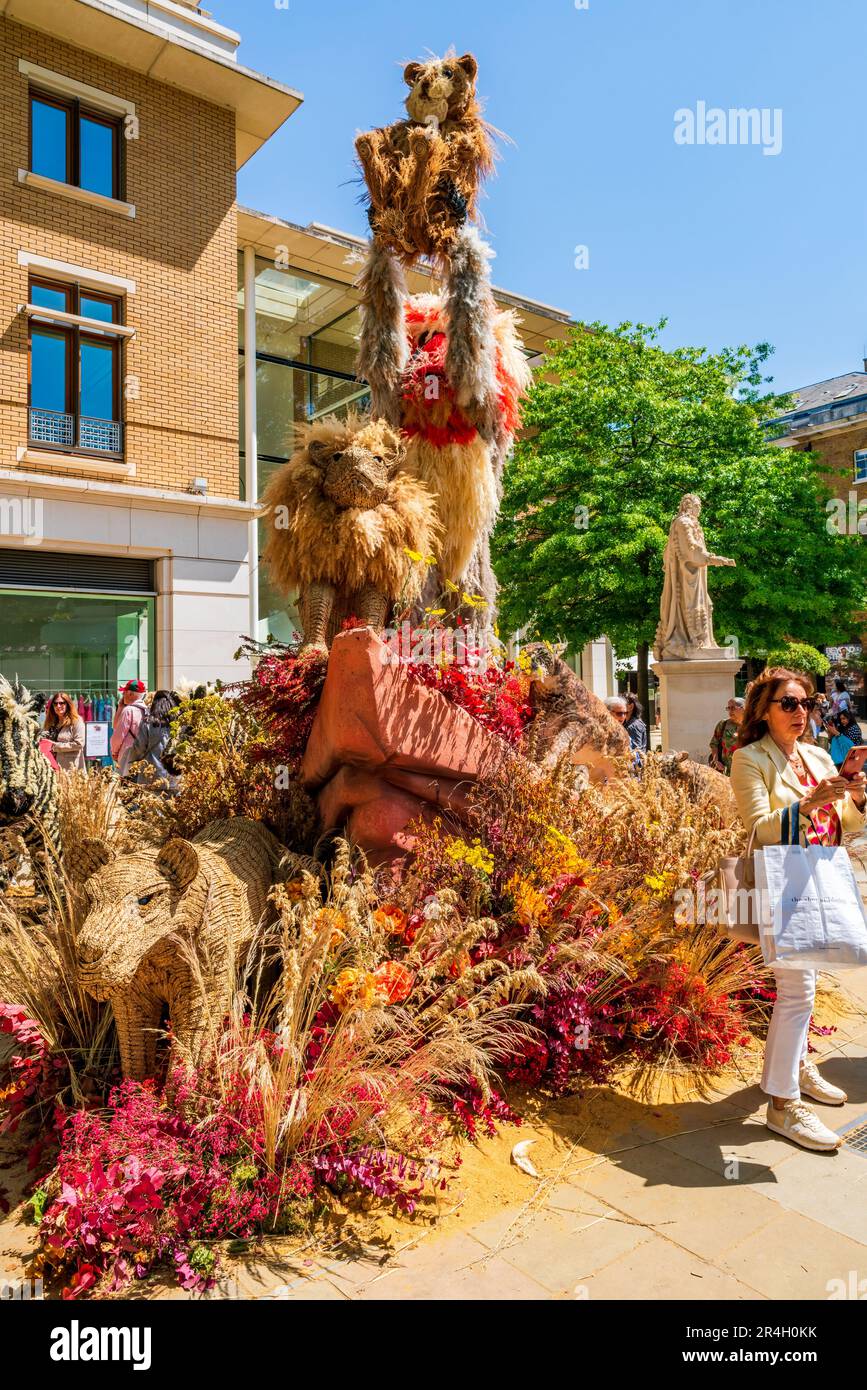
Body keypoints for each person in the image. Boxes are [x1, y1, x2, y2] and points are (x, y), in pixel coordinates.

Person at [730, 667, 866, 1152]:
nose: (800, 712)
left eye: (806, 703)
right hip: (782, 881)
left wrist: (855, 792)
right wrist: (808, 805)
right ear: (763, 710)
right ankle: (782, 1105)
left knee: (808, 981)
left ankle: (796, 1067)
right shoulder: (749, 758)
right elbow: (758, 829)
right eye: (788, 703)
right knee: (798, 989)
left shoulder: (815, 754)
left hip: (821, 876)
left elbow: (845, 822)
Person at [128, 689, 179, 791]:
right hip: (174, 778)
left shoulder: (148, 723)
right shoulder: (178, 724)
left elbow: (138, 749)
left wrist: (131, 760)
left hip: (151, 777)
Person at [110, 679, 149, 778]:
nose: (123, 695)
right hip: (143, 755)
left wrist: (114, 752)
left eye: (124, 692)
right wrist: (120, 707)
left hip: (127, 755)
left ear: (130, 694)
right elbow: (116, 725)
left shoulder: (128, 711)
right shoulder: (147, 710)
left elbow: (118, 736)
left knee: (126, 786)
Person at [42, 692, 86, 772]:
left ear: (68, 704)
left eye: (61, 703)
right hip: (50, 767)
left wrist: (54, 746)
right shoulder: (50, 722)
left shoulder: (76, 721)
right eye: (55, 704)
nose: (58, 706)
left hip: (69, 769)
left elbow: (79, 744)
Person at [709, 697, 744, 775]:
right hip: (726, 772)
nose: (730, 711)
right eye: (728, 708)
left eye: (733, 708)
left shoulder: (752, 726)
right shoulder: (723, 724)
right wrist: (716, 761)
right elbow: (714, 744)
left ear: (743, 709)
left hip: (746, 772)